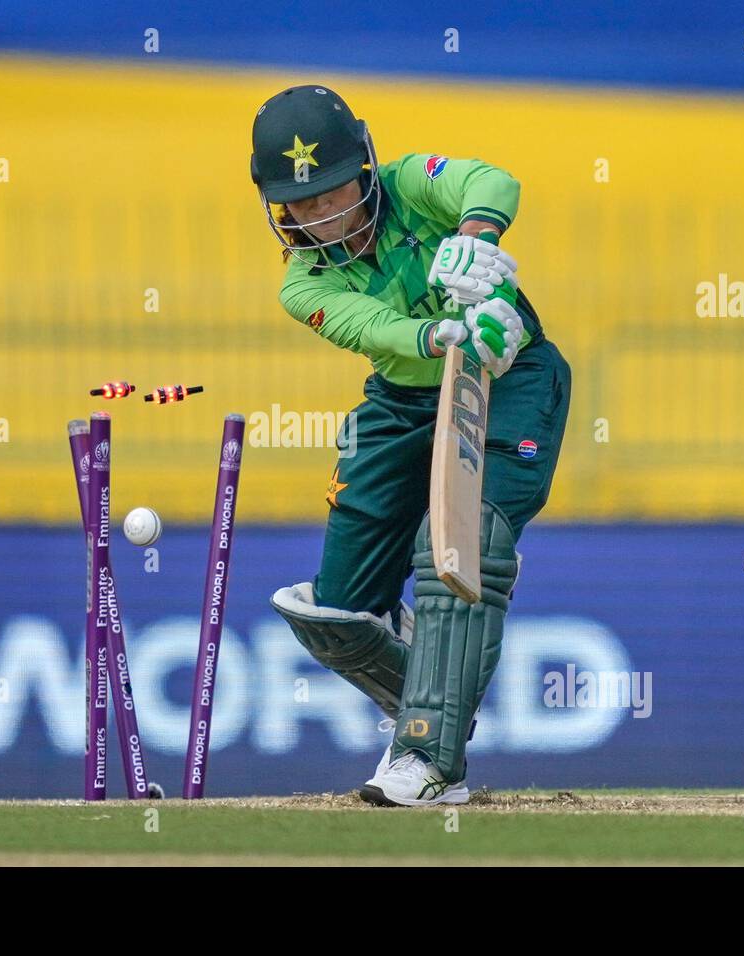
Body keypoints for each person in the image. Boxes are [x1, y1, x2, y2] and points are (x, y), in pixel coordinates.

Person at [253, 85, 571, 806]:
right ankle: (435, 678)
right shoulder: (303, 283)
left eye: (331, 193)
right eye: (297, 205)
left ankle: (428, 757)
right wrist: (444, 333)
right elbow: (375, 331)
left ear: (362, 170)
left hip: (513, 378)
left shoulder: (408, 186)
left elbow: (492, 181)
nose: (318, 216)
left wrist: (476, 237)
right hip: (402, 398)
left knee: (461, 544)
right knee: (333, 617)